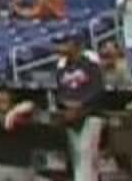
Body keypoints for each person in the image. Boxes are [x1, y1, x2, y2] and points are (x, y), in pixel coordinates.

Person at [49, 33, 105, 181]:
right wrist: (66, 105)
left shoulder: (90, 60)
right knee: (78, 159)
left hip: (90, 115)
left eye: (63, 43)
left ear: (74, 44)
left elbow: (98, 89)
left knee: (86, 157)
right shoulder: (61, 64)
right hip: (71, 117)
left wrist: (80, 105)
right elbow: (58, 91)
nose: (59, 48)